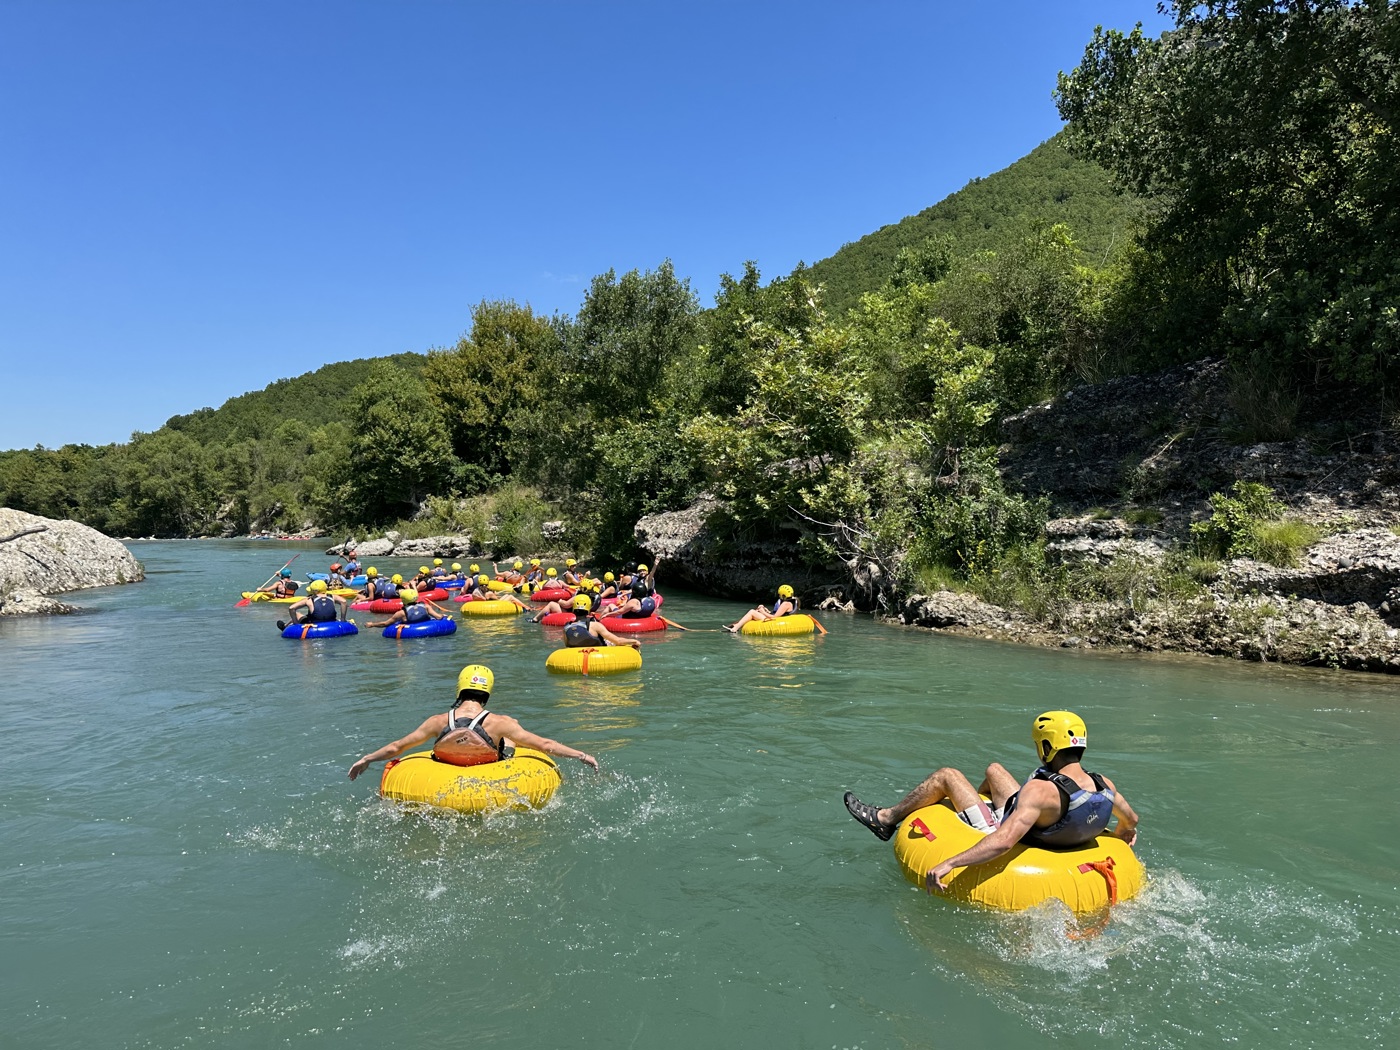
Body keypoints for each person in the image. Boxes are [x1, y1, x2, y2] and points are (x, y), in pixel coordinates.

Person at [842, 711, 1140, 893]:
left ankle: (884, 820)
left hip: (1019, 835)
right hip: (1053, 823)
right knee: (994, 770)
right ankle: (976, 802)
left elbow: (1003, 842)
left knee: (947, 776)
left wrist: (950, 861)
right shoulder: (1104, 785)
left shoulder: (1040, 791)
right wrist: (1120, 835)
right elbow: (1131, 822)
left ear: (1047, 747)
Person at [347, 664, 599, 778]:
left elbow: (397, 747)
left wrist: (366, 758)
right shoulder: (500, 722)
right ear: (488, 692)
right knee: (511, 731)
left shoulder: (436, 721)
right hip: (489, 765)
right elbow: (545, 745)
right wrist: (582, 755)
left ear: (459, 689)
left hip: (445, 767)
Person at [560, 594, 640, 649]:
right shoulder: (595, 625)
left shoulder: (566, 628)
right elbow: (618, 641)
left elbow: (568, 645)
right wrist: (634, 641)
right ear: (589, 609)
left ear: (573, 609)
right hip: (598, 655)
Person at [724, 584, 797, 633]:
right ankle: (736, 625)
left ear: (783, 594)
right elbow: (777, 613)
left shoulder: (785, 604)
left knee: (752, 612)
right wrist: (767, 611)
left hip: (775, 621)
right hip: (776, 619)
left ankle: (735, 628)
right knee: (759, 609)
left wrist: (763, 612)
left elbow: (775, 617)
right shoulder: (789, 602)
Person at [277, 579, 346, 630]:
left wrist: (296, 624)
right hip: (331, 621)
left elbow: (291, 608)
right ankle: (287, 625)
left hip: (314, 623)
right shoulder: (332, 597)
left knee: (298, 614)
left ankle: (285, 626)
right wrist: (343, 619)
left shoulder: (309, 599)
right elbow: (344, 602)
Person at [366, 588, 451, 629]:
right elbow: (439, 617)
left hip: (410, 632)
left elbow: (385, 624)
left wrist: (372, 624)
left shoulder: (401, 613)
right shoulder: (426, 606)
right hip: (429, 628)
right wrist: (443, 615)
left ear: (403, 600)